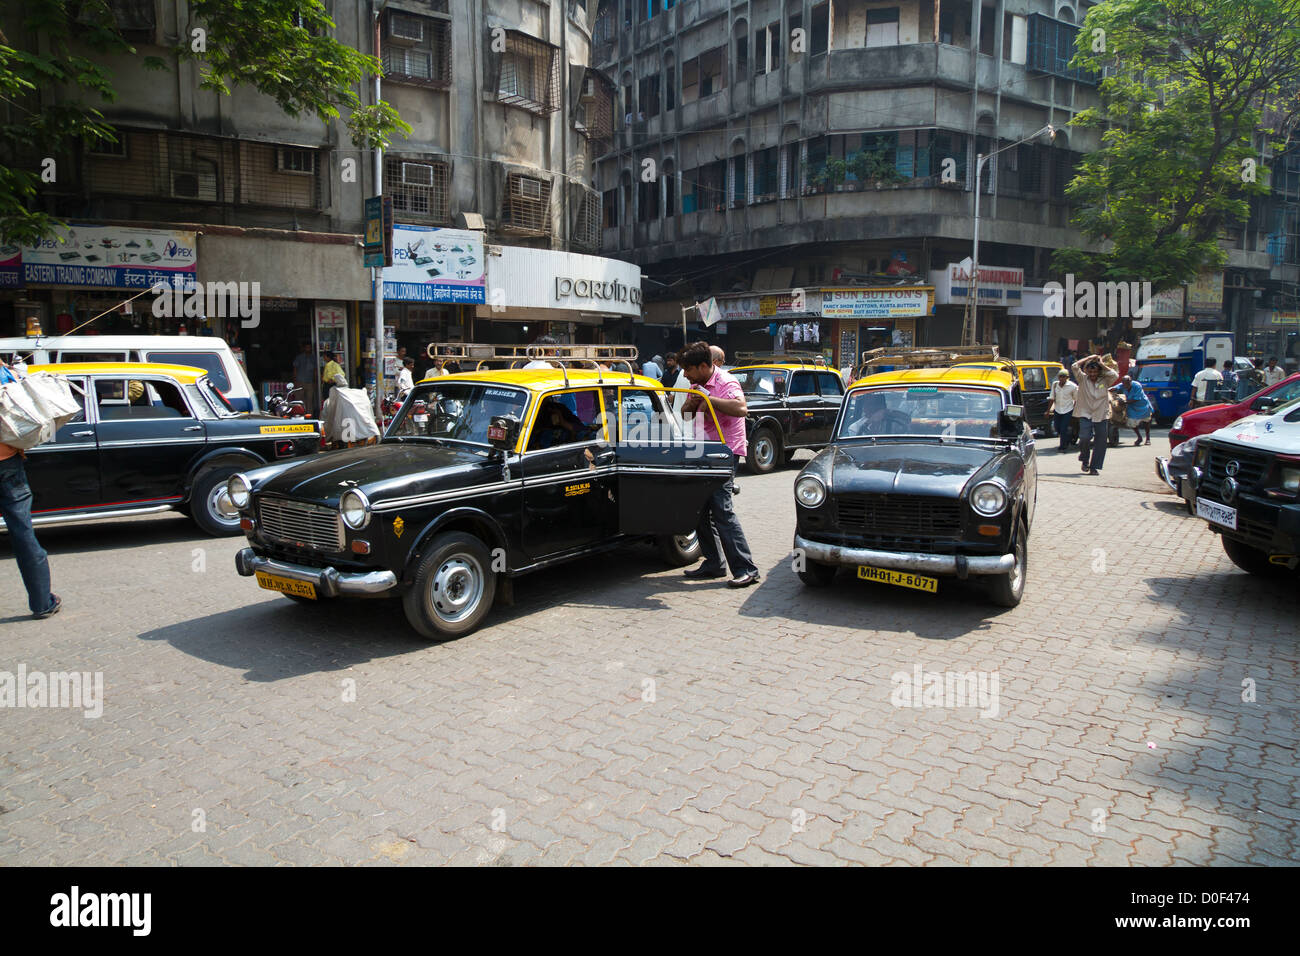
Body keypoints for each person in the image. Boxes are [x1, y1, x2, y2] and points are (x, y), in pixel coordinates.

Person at [677, 341, 760, 588]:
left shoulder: (726, 383)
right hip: (703, 451)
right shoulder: (697, 384)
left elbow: (741, 408)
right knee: (699, 510)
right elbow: (686, 414)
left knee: (722, 510)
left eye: (688, 369)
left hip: (725, 452)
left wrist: (709, 399)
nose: (684, 374)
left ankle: (746, 568)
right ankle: (714, 563)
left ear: (704, 366)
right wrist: (691, 403)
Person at [0, 359, 61, 619]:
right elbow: (21, 398)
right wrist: (13, 372)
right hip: (6, 462)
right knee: (22, 531)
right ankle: (41, 602)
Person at [1072, 354, 1119, 475]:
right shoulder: (1082, 379)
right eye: (1090, 372)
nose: (1092, 375)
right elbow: (1074, 366)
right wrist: (1088, 358)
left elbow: (1115, 375)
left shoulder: (1105, 381)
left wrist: (1101, 363)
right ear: (1087, 371)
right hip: (1085, 413)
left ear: (1099, 372)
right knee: (1084, 438)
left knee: (1101, 441)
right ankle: (1084, 459)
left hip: (1101, 414)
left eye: (1095, 372)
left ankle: (1094, 467)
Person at [1112, 374, 1153, 445]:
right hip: (1131, 406)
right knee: (1131, 422)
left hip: (1142, 405)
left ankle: (1148, 438)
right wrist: (1105, 389)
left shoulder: (1137, 385)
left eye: (1128, 383)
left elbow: (1137, 399)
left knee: (1146, 421)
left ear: (1131, 381)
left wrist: (1124, 402)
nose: (1126, 385)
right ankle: (1139, 437)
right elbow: (1114, 388)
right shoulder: (1122, 385)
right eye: (1124, 383)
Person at [1046, 368, 1078, 452]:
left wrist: (1074, 409)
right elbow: (1052, 398)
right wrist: (1048, 411)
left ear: (1067, 377)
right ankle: (1067, 437)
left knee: (1063, 428)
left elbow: (1076, 399)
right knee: (1057, 427)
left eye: (1063, 377)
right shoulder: (1055, 384)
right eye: (1060, 376)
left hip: (1068, 410)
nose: (1061, 378)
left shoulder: (1072, 386)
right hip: (1058, 409)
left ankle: (1063, 446)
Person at [292, 342, 317, 412]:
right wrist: (295, 381)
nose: (308, 349)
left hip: (310, 382)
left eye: (309, 347)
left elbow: (315, 370)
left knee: (309, 400)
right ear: (304, 348)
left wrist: (315, 381)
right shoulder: (299, 357)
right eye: (307, 347)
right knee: (299, 400)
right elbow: (295, 369)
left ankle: (309, 416)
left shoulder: (313, 358)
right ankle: (300, 415)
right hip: (300, 381)